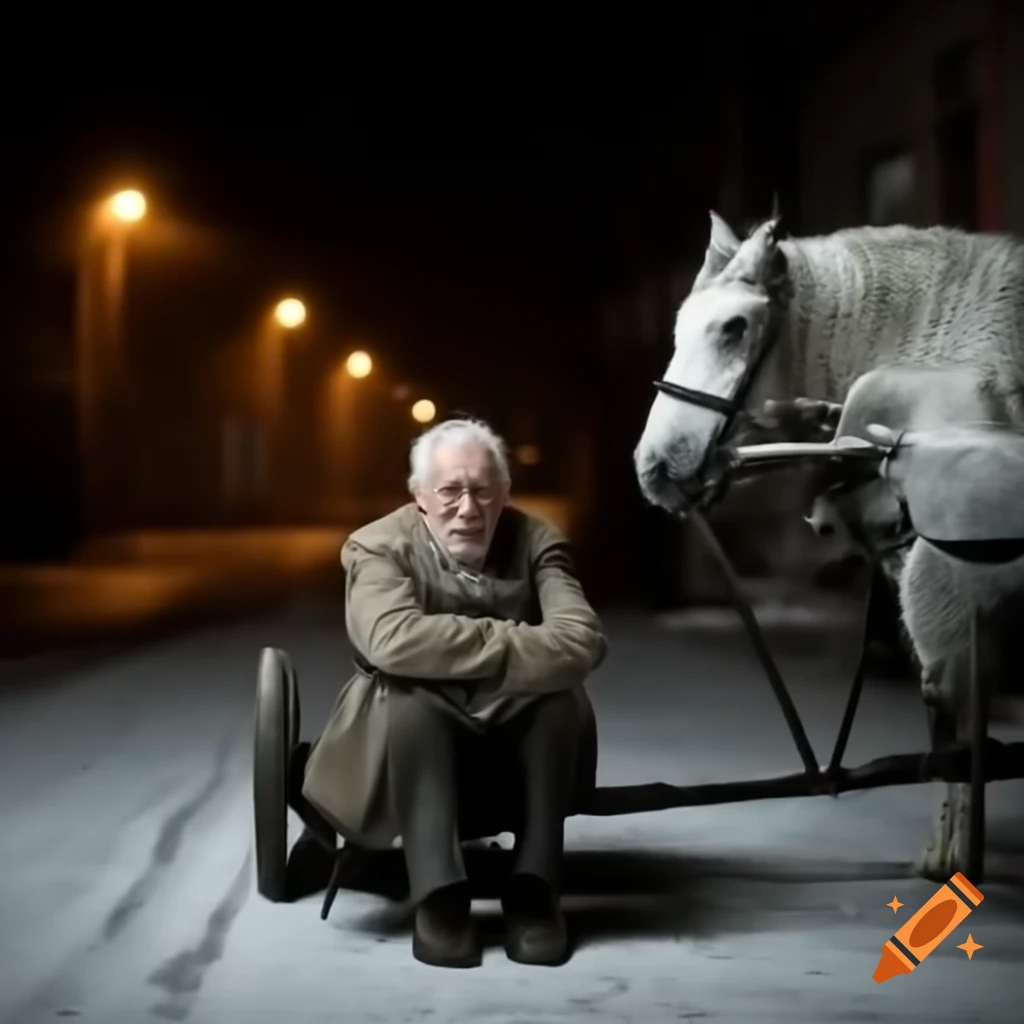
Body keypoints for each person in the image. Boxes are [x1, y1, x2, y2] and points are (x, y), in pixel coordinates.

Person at [299, 416, 607, 968]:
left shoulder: (537, 542)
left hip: (512, 733)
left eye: (483, 490)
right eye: (449, 491)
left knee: (560, 701)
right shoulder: (377, 547)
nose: (468, 509)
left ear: (505, 493)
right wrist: (520, 643)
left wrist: (444, 653)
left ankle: (535, 894)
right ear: (419, 496)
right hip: (405, 740)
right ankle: (440, 897)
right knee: (414, 697)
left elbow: (581, 641)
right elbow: (390, 641)